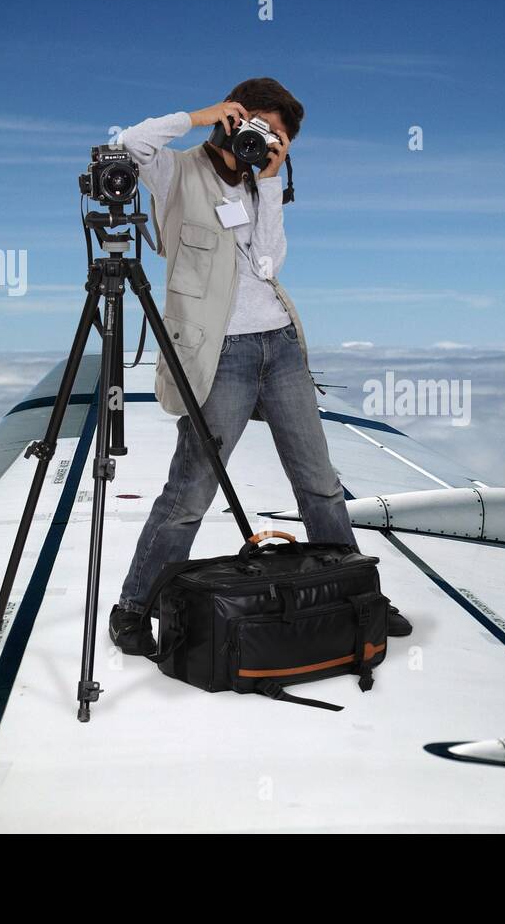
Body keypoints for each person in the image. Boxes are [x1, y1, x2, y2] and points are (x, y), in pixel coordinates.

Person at [108, 77, 410, 655]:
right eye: (256, 126)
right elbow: (127, 144)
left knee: (320, 486)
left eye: (274, 136)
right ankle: (135, 607)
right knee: (191, 491)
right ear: (233, 115)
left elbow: (269, 261)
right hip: (219, 355)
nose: (260, 140)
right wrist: (200, 115)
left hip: (281, 348)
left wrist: (269, 181)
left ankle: (358, 597)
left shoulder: (258, 181)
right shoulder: (176, 172)